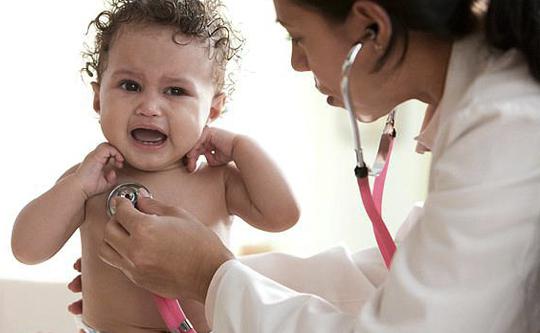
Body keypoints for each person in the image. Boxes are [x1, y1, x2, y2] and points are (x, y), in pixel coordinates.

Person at [68, 0, 540, 332]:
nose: (296, 62)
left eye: (299, 36)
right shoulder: (487, 106)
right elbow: (402, 281)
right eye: (130, 85)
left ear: (371, 29)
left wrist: (206, 277)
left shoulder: (505, 128)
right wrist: (165, 270)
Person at [10, 0, 300, 332]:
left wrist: (240, 147)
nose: (149, 107)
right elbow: (27, 250)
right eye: (130, 85)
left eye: (175, 91)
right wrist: (75, 188)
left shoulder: (216, 180)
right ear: (98, 98)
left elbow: (283, 215)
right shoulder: (90, 181)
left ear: (213, 109)